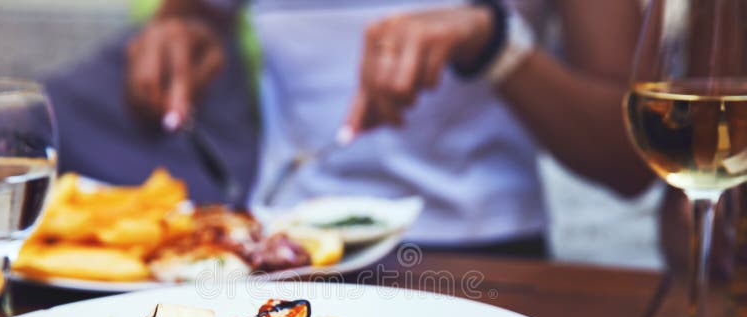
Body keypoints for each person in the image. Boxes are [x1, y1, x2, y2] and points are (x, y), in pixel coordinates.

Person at [54, 0, 654, 254]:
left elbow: (631, 160)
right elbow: (191, 13)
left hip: (485, 261)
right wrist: (178, 37)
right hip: (285, 250)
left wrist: (496, 44)